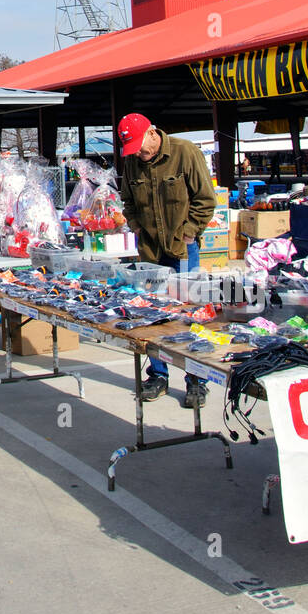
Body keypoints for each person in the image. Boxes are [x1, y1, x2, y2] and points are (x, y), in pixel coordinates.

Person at [118, 113, 217, 409]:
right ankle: (158, 375)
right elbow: (128, 202)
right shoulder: (133, 160)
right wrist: (135, 225)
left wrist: (188, 232)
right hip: (150, 252)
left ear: (152, 134)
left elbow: (205, 199)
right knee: (153, 315)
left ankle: (196, 380)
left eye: (141, 146)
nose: (139, 153)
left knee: (188, 315)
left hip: (183, 250)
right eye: (132, 149)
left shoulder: (185, 152)